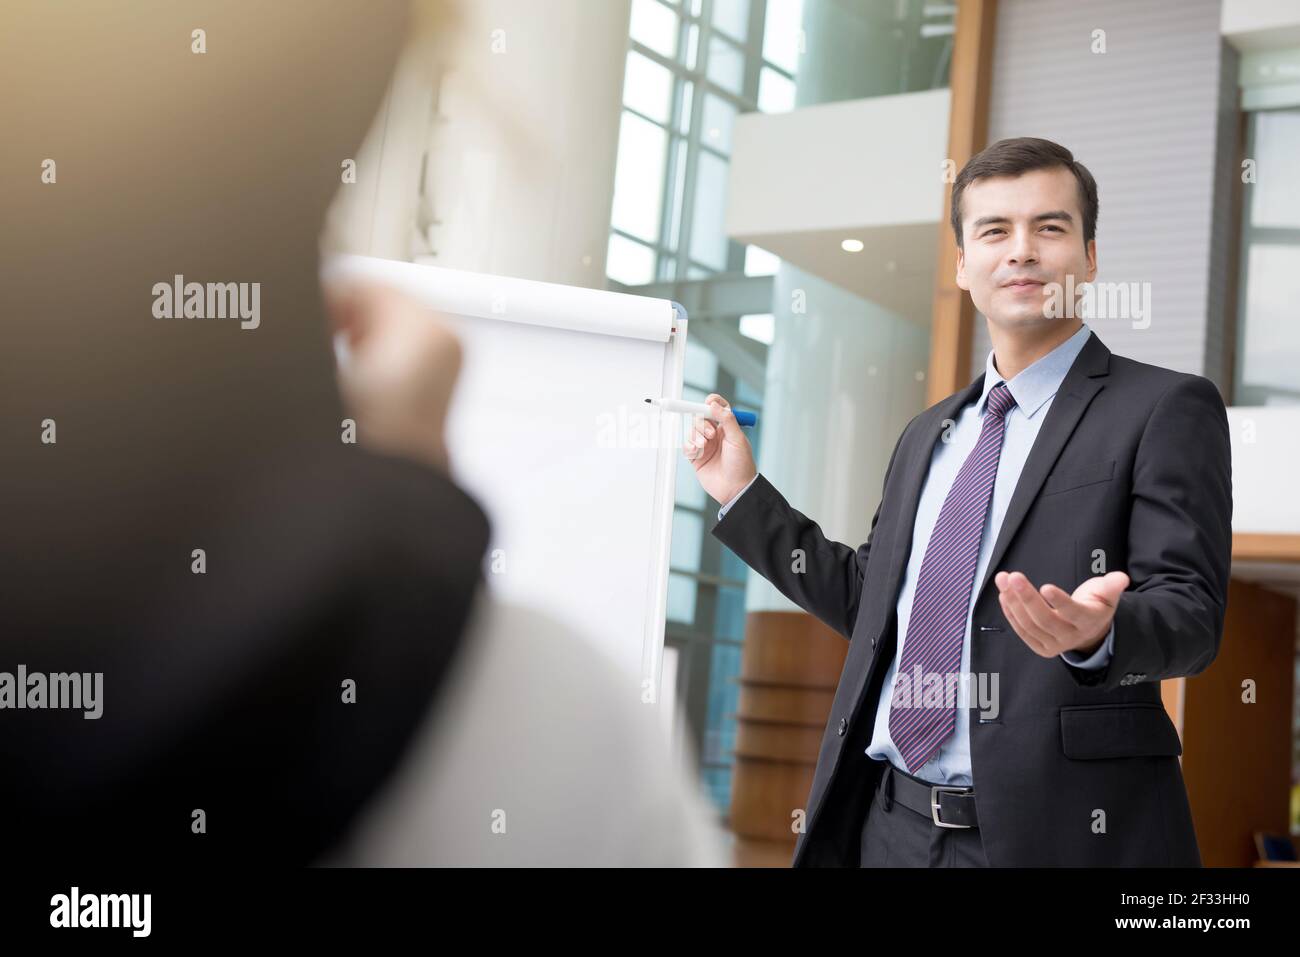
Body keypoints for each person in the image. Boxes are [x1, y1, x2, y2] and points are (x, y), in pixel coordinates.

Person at [683, 138, 1232, 867]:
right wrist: (741, 493)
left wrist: (1101, 630)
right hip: (891, 825)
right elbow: (869, 599)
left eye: (1051, 227)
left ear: (1090, 257)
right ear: (962, 263)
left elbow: (1192, 614)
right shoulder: (928, 433)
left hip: (1057, 836)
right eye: (994, 230)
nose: (1022, 251)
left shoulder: (1165, 407)